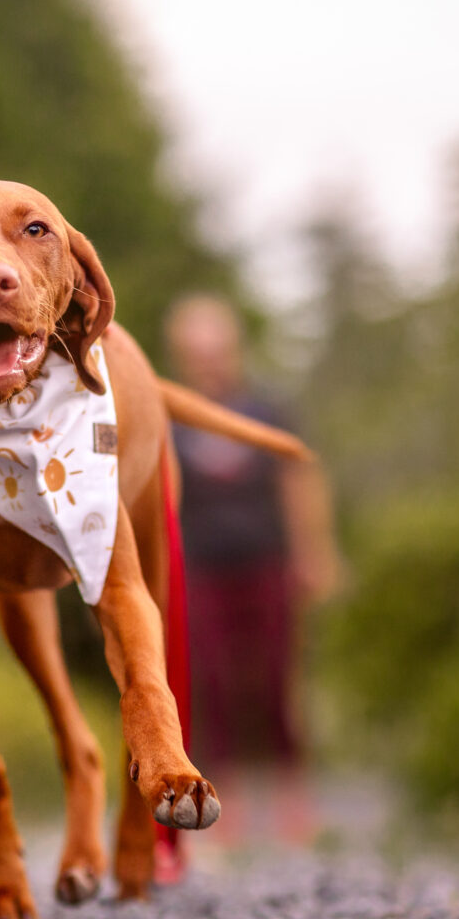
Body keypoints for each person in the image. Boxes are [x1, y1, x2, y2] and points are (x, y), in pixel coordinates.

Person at [164, 294, 340, 847]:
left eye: (217, 349)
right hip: (201, 568)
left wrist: (314, 552)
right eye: (198, 352)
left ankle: (295, 801)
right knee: (210, 681)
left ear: (234, 349)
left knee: (275, 680)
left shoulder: (267, 410)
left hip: (267, 562)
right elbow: (158, 493)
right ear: (182, 356)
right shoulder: (172, 416)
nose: (209, 360)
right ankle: (226, 806)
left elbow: (300, 479)